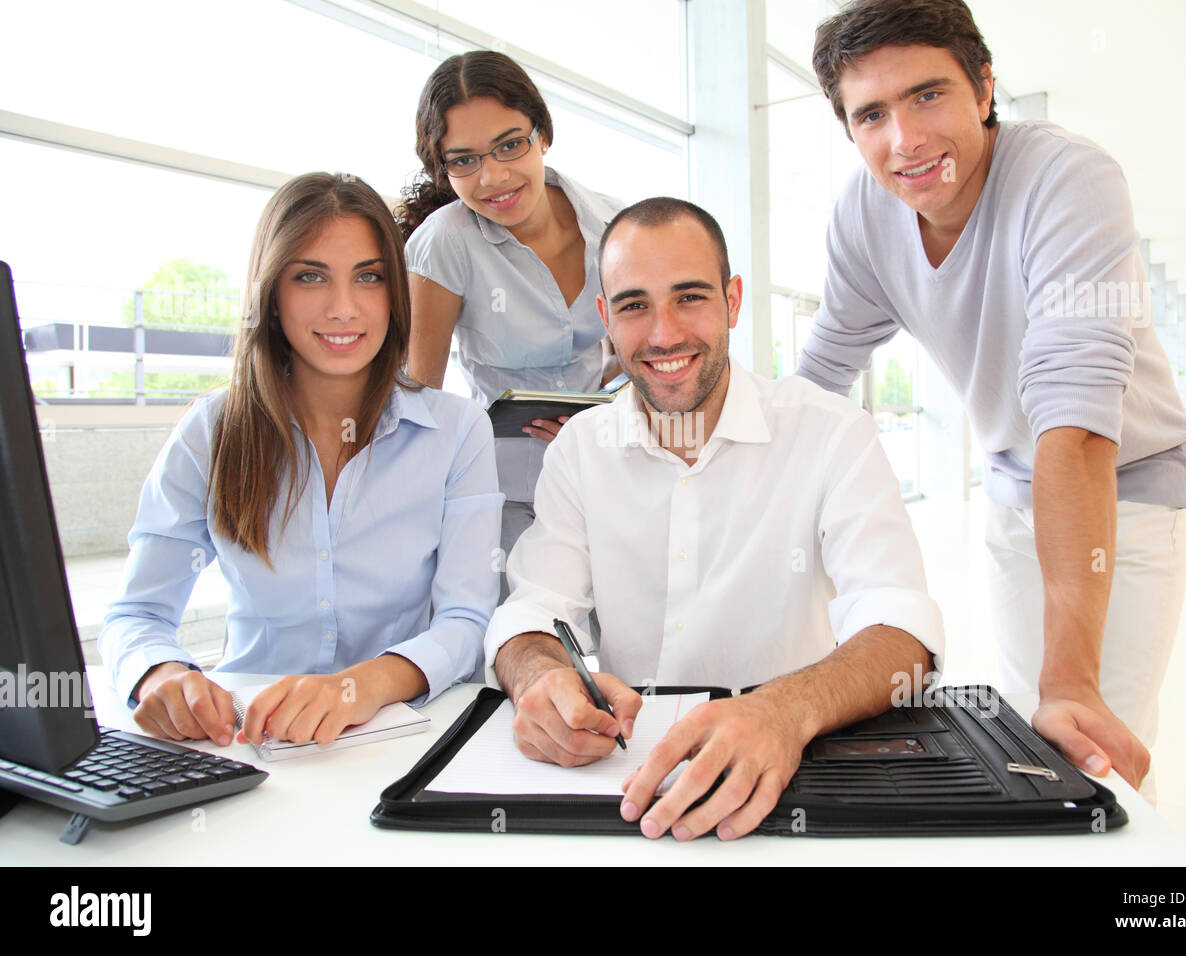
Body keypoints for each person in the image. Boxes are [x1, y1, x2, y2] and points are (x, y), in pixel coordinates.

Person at [795, 0, 1186, 797]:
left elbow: (1077, 427)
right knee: (1026, 730)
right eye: (870, 113)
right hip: (1018, 483)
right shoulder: (866, 215)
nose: (904, 139)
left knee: (1094, 745)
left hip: (1127, 484)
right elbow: (818, 379)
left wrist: (1073, 680)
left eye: (927, 95)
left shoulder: (1068, 181)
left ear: (983, 88)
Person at [485, 198, 943, 841]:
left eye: (689, 297)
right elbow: (534, 611)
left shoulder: (831, 433)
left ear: (732, 301)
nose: (664, 334)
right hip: (624, 788)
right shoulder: (580, 449)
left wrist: (783, 710)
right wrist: (540, 676)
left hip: (794, 783)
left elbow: (899, 627)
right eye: (634, 305)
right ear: (606, 321)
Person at [99, 172, 502, 749]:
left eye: (369, 277)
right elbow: (136, 615)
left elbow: (467, 622)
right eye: (311, 277)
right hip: (245, 742)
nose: (343, 308)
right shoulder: (211, 432)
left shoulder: (457, 431)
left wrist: (360, 685)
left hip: (402, 739)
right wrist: (161, 674)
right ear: (272, 292)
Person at [397, 51, 623, 596]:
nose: (492, 177)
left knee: (623, 651)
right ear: (442, 167)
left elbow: (636, 357)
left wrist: (601, 408)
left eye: (509, 144)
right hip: (503, 491)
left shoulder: (615, 224)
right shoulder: (444, 242)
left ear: (542, 133)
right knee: (521, 649)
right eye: (464, 160)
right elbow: (417, 394)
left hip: (608, 471)